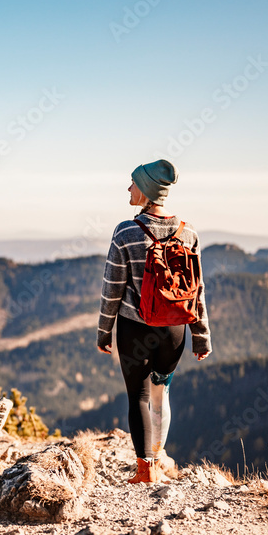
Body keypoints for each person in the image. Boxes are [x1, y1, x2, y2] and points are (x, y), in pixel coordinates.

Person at [96, 159, 211, 484]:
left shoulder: (127, 231)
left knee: (139, 398)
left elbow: (112, 289)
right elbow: (196, 291)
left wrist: (104, 331)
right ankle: (158, 458)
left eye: (132, 183)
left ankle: (146, 470)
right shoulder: (188, 232)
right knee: (163, 396)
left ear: (145, 190)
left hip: (135, 329)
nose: (128, 189)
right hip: (175, 331)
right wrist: (201, 336)